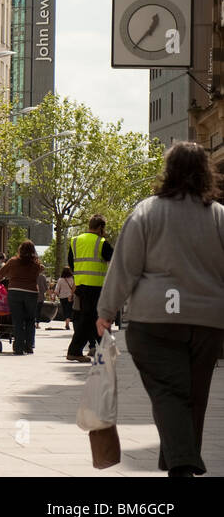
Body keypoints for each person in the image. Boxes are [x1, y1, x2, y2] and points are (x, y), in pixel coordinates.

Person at [96, 142, 224, 475]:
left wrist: (106, 311)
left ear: (168, 172)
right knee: (195, 396)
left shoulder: (147, 211)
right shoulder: (219, 216)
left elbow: (125, 266)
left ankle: (180, 461)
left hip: (155, 320)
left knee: (168, 391)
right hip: (208, 321)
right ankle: (178, 462)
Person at [66, 215, 114, 363]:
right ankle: (75, 350)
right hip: (96, 286)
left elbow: (71, 263)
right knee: (89, 318)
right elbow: (114, 260)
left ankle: (104, 347)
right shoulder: (101, 243)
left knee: (92, 317)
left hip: (80, 285)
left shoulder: (75, 241)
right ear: (100, 228)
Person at [0, 241, 44, 355]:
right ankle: (29, 345)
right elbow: (41, 269)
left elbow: (0, 273)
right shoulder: (36, 265)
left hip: (15, 291)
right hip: (31, 292)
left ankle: (18, 347)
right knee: (30, 320)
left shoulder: (13, 261)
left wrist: (1, 278)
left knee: (18, 320)